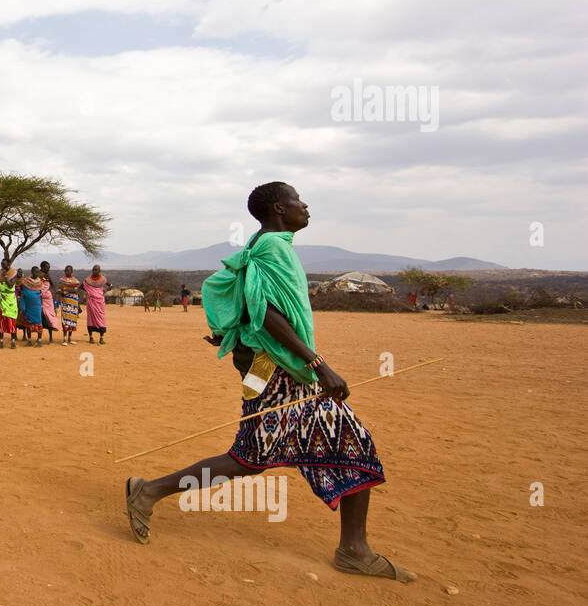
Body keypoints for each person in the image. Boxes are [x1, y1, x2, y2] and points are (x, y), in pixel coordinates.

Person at [124, 182, 414, 583]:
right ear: (280, 207)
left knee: (338, 447)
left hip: (279, 370)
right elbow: (267, 314)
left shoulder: (264, 246)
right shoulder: (272, 248)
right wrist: (319, 363)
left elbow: (251, 304)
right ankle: (149, 491)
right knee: (253, 458)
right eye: (298, 200)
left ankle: (354, 549)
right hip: (282, 372)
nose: (305, 205)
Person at [83, 264, 111, 343]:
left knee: (101, 318)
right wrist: (88, 291)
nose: (95, 271)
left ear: (99, 271)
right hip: (91, 302)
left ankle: (101, 338)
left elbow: (110, 285)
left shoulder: (103, 279)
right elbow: (81, 286)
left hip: (100, 302)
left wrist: (104, 291)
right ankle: (91, 337)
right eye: (93, 270)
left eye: (96, 270)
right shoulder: (88, 280)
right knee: (90, 319)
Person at [19, 266, 46, 346]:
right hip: (28, 306)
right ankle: (29, 341)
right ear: (31, 272)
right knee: (28, 323)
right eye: (35, 272)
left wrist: (41, 305)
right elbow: (22, 289)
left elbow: (40, 293)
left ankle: (39, 340)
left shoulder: (40, 282)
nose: (36, 273)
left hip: (37, 306)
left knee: (38, 322)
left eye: (38, 272)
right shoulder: (26, 281)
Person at [0, 259, 18, 350]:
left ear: (8, 264)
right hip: (2, 300)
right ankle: (1, 342)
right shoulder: (0, 275)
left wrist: (5, 276)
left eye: (3, 264)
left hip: (10, 300)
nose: (2, 266)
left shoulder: (13, 273)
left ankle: (13, 341)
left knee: (11, 319)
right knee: (1, 320)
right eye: (1, 264)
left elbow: (10, 285)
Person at [57, 266, 82, 345]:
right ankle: (64, 339)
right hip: (65, 302)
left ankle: (70, 338)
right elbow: (60, 290)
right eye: (66, 270)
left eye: (69, 270)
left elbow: (77, 290)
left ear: (72, 271)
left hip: (73, 302)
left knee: (72, 320)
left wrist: (66, 289)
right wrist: (71, 290)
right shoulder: (62, 280)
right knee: (65, 320)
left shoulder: (76, 281)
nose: (67, 272)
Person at [39, 261, 59, 344]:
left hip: (48, 300)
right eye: (47, 267)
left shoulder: (47, 275)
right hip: (40, 299)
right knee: (41, 318)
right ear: (42, 267)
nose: (48, 269)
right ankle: (39, 338)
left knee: (50, 316)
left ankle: (51, 337)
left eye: (49, 267)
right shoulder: (39, 275)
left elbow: (53, 285)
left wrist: (52, 293)